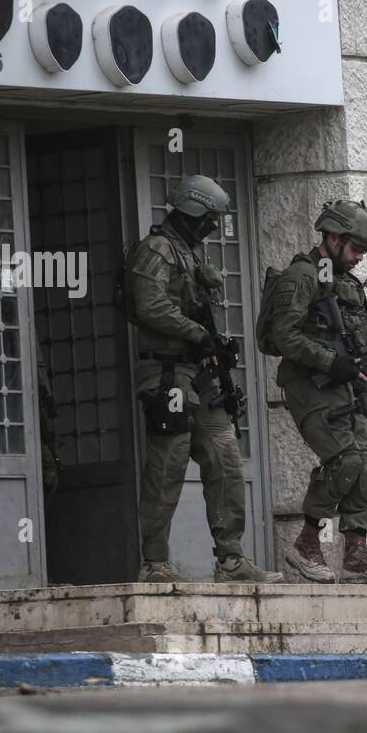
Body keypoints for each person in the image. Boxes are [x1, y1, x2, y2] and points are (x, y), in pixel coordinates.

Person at [124, 174, 281, 584]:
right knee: (169, 463)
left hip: (202, 376)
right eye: (211, 217)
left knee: (226, 458)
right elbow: (150, 305)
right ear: (194, 210)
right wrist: (198, 334)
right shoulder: (158, 249)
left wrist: (212, 345)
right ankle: (155, 562)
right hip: (167, 374)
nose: (215, 225)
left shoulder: (191, 253)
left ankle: (231, 558)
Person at [267, 199, 367, 584]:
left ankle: (356, 555)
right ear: (332, 237)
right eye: (356, 247)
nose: (361, 256)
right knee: (345, 461)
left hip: (346, 387)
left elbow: (362, 350)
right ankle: (307, 544)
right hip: (310, 385)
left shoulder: (346, 282)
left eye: (364, 250)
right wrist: (329, 362)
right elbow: (284, 336)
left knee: (362, 467)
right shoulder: (303, 274)